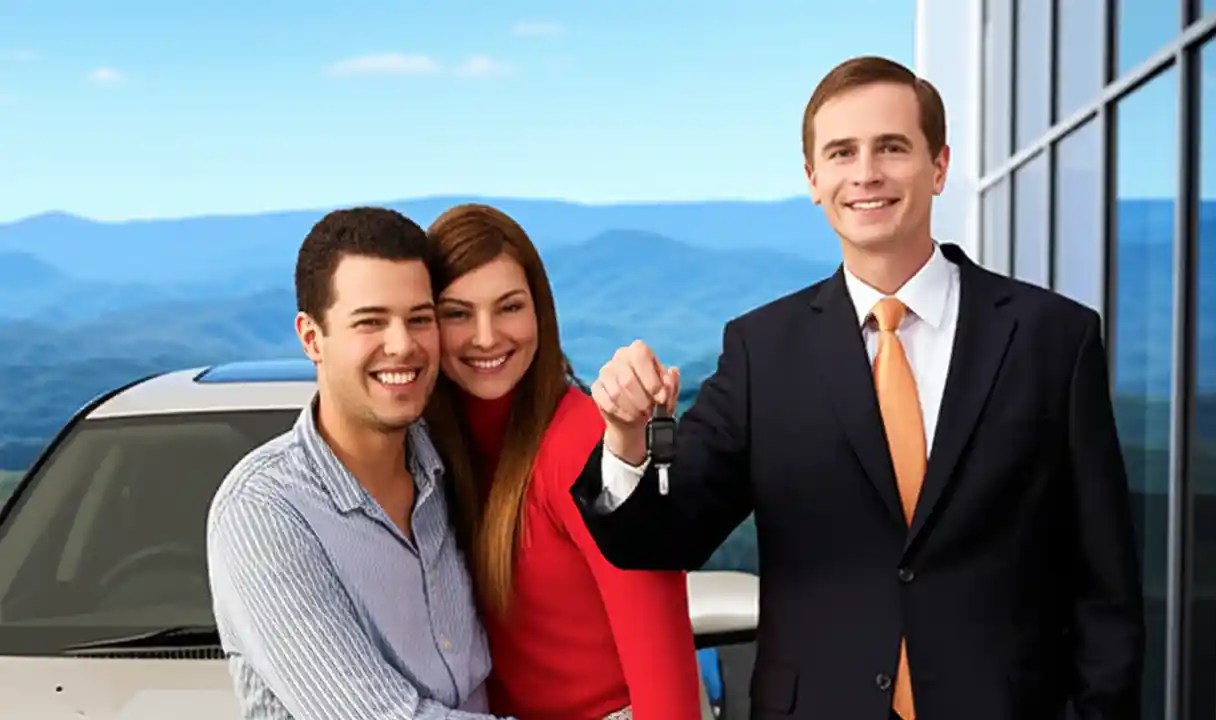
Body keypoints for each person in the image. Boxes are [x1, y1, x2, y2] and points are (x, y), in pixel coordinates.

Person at [571, 56, 1145, 719]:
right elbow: (659, 540)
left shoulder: (1054, 339)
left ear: (939, 165)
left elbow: (1106, 589)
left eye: (892, 148)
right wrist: (623, 437)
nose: (866, 173)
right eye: (842, 153)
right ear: (814, 180)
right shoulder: (763, 351)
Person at [206, 207, 511, 719]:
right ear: (311, 339)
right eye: (371, 321)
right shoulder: (263, 512)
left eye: (419, 319)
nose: (403, 345)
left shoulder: (452, 469)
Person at [420, 203, 704, 720]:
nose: (487, 337)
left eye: (509, 307)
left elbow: (667, 680)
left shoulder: (587, 445)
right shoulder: (429, 453)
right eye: (457, 313)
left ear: (540, 313)